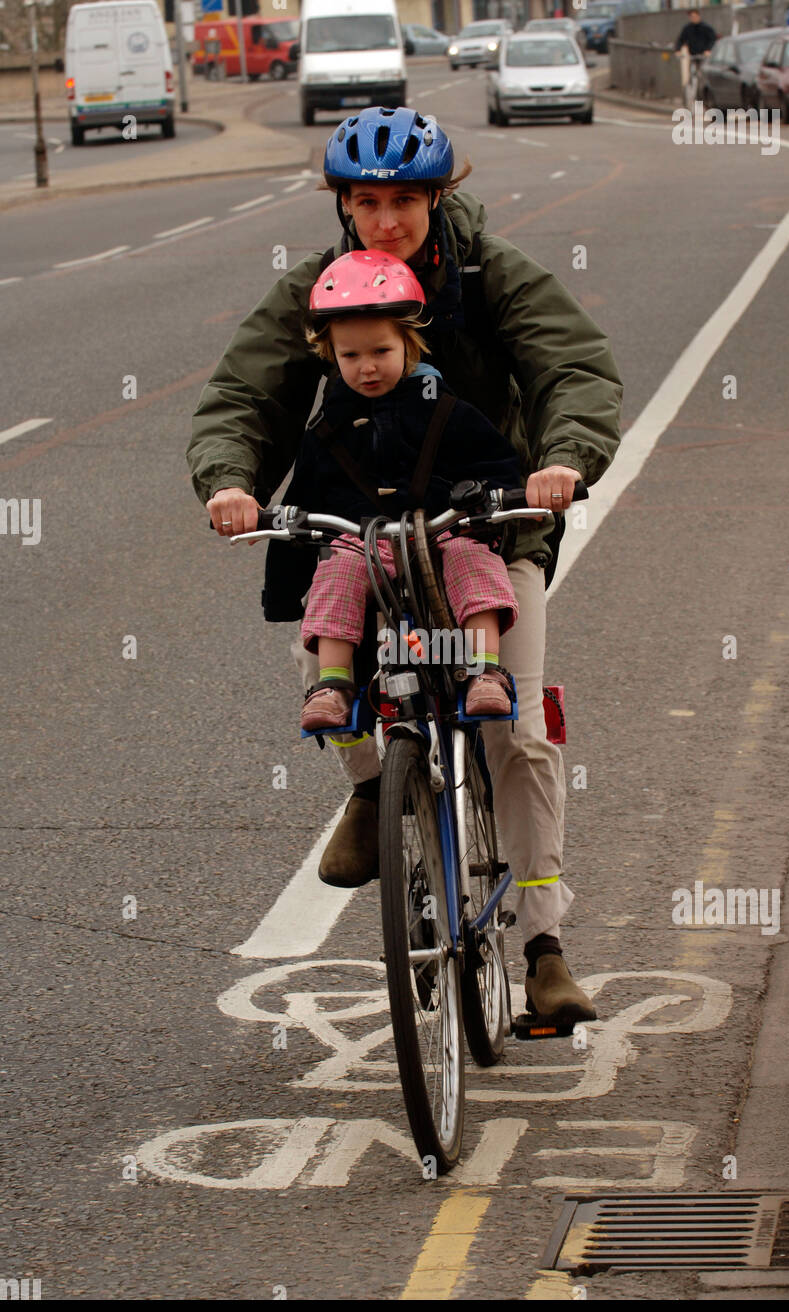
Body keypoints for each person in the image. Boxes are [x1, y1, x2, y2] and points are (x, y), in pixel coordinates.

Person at [186, 106, 623, 1029]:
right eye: (368, 202)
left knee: (517, 733)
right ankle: (369, 786)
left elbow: (572, 368)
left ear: (437, 199)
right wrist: (230, 482)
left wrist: (563, 461)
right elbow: (243, 394)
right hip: (365, 522)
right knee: (322, 665)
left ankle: (544, 946)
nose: (387, 221)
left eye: (406, 202)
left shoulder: (487, 274)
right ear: (344, 204)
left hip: (491, 524)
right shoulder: (323, 286)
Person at [294, 249, 522, 730]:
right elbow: (307, 499)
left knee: (471, 556)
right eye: (350, 356)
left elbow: (499, 463)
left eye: (381, 351)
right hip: (368, 540)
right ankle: (333, 686)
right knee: (338, 569)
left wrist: (495, 497)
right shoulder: (327, 426)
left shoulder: (446, 410)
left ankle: (484, 673)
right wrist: (283, 531)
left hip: (441, 532)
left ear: (410, 346)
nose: (367, 367)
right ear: (331, 355)